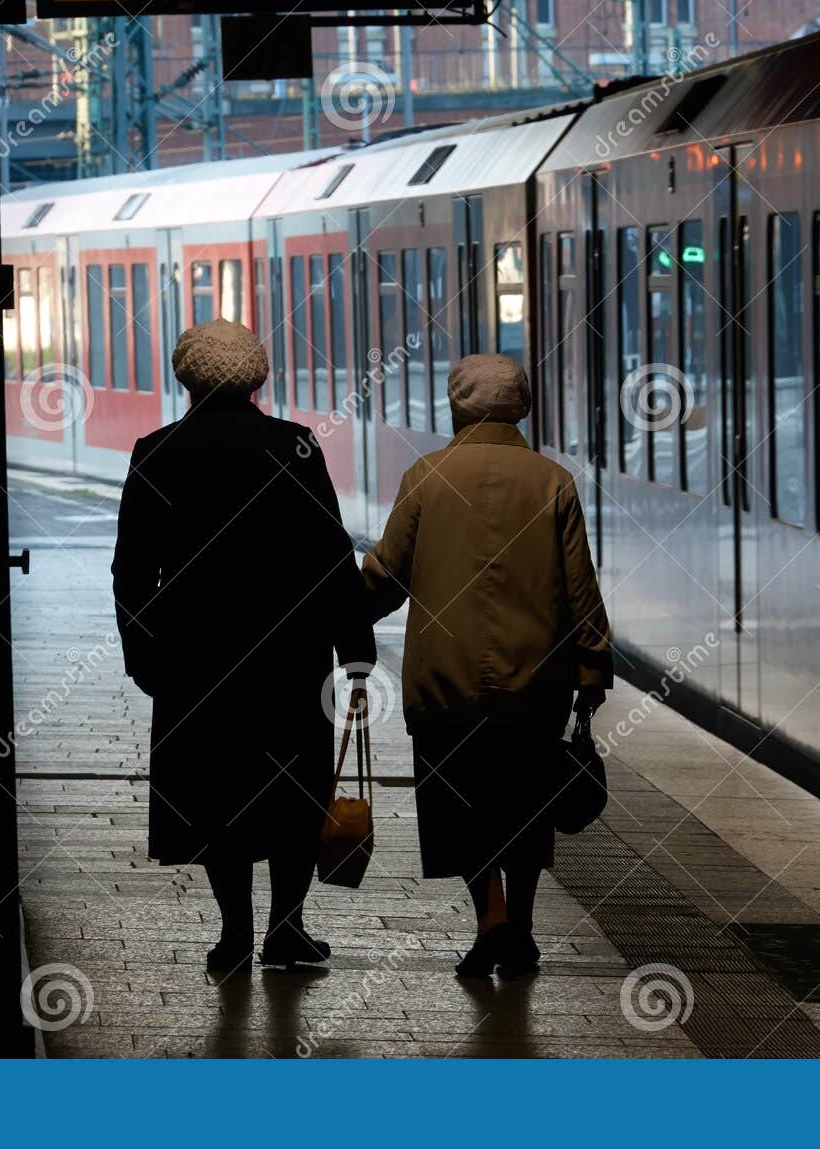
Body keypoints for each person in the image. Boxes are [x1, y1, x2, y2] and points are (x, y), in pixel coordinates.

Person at [112, 319, 373, 978]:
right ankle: (287, 929)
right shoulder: (295, 447)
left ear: (186, 376)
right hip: (290, 653)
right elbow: (331, 558)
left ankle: (234, 935)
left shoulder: (158, 451)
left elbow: (132, 568)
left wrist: (143, 654)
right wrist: (355, 652)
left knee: (213, 794)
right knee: (293, 792)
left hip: (196, 658)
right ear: (255, 376)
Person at [362, 353, 612, 979]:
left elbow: (387, 577)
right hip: (535, 682)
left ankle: (491, 919)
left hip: (444, 683)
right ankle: (519, 929)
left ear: (455, 405)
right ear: (523, 405)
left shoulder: (427, 476)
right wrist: (592, 669)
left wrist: (341, 605)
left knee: (462, 806)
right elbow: (580, 586)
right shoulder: (553, 481)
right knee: (524, 804)